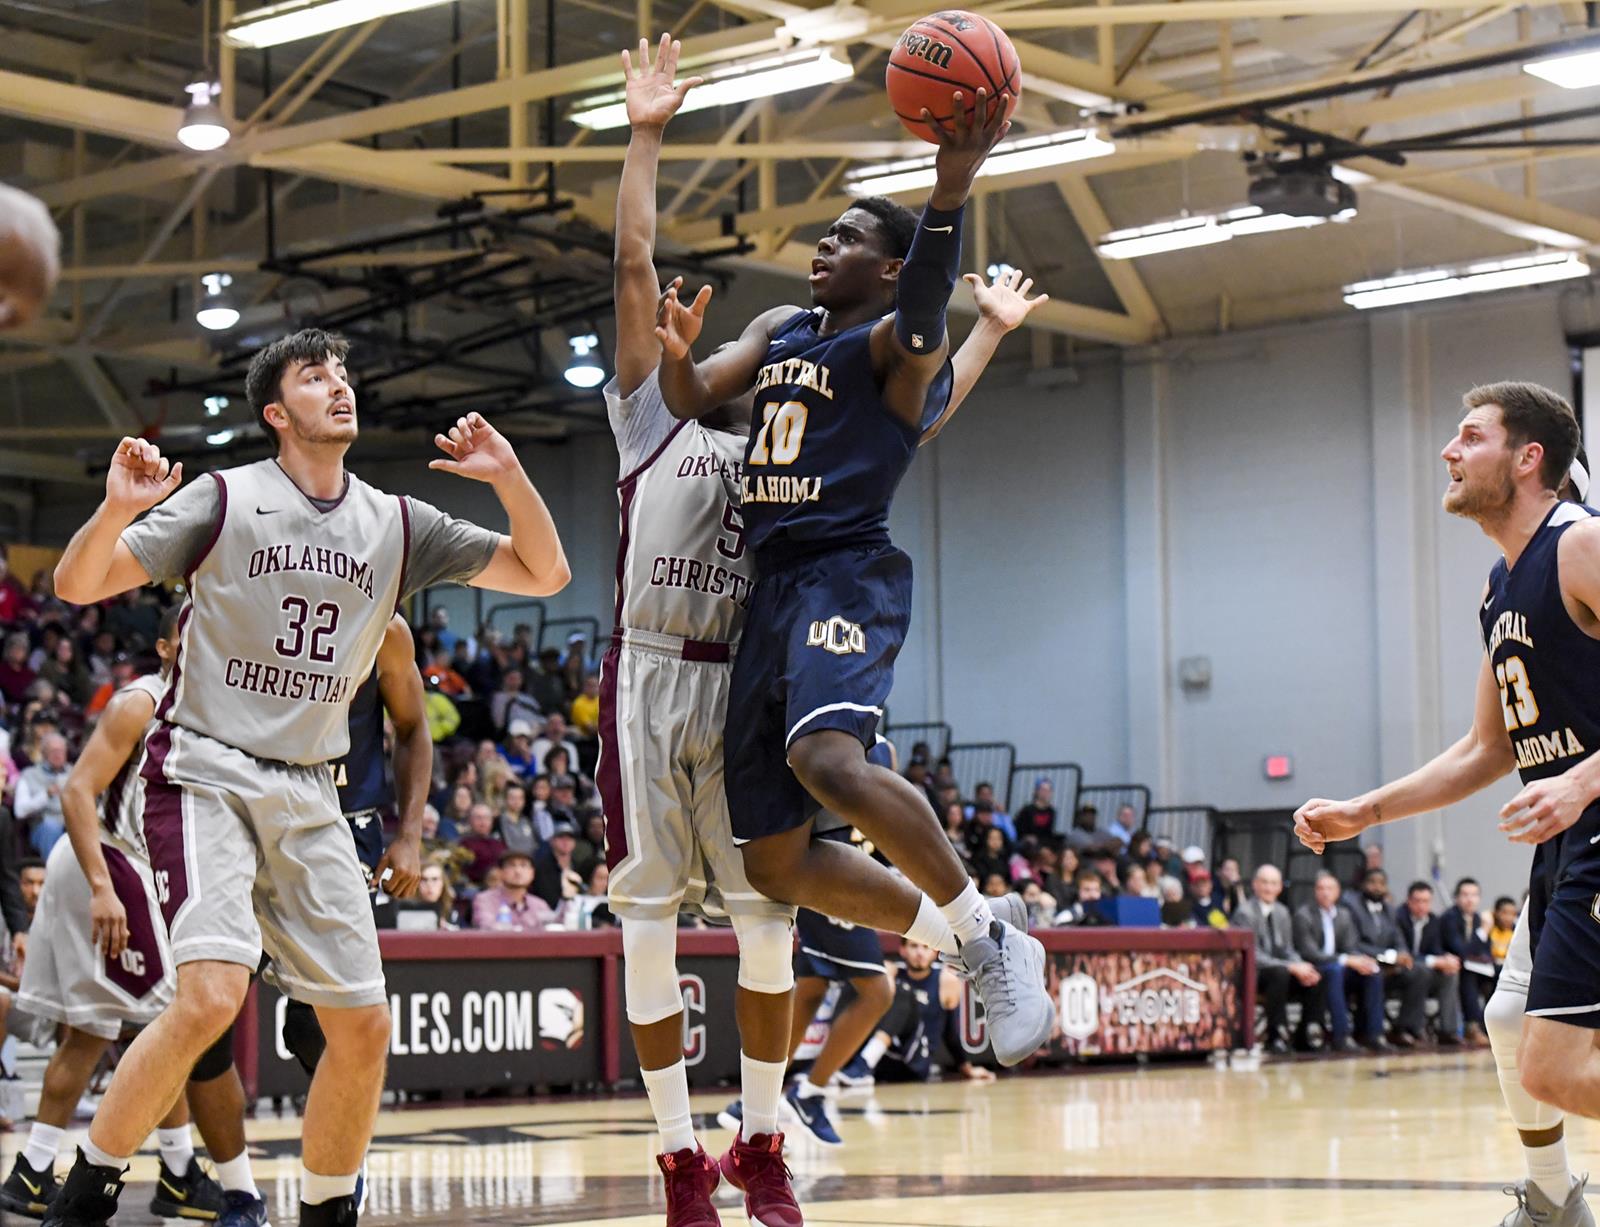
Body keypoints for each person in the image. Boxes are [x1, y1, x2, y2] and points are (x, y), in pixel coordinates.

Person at [604, 38, 1044, 1227]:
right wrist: (692, 354)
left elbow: (921, 380)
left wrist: (952, 198)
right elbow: (690, 378)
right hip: (711, 645)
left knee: (822, 776)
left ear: (893, 266)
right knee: (775, 866)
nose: (821, 244)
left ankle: (978, 931)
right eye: (828, 235)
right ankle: (959, 940)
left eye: (848, 235)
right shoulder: (756, 357)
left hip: (830, 580)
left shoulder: (886, 341)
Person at [45, 324, 569, 1227]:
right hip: (205, 764)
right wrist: (116, 508)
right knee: (211, 995)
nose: (340, 386)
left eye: (344, 373)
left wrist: (510, 475)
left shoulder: (398, 522)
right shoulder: (223, 499)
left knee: (363, 1027)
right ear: (276, 412)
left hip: (312, 787)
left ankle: (326, 1214)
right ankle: (83, 1196)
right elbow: (75, 583)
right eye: (315, 375)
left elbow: (546, 570)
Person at [1295, 381, 1600, 1225]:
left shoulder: (1581, 545)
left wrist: (1583, 779)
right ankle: (1551, 1201)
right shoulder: (1500, 585)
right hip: (1570, 836)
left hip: (1595, 811)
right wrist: (1365, 811)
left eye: (1471, 436)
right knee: (1509, 1020)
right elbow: (1485, 748)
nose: (1448, 450)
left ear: (1528, 457)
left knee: (1556, 1069)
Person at [4, 608, 260, 1225]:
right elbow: (74, 792)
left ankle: (39, 1169)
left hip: (124, 868)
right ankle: (176, 1172)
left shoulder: (221, 716)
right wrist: (103, 888)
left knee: (105, 1029)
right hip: (107, 862)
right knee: (172, 1026)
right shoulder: (140, 703)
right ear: (168, 649)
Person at [277, 613, 429, 1103]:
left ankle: (344, 1166)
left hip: (347, 822)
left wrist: (410, 835)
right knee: (214, 997)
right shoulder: (261, 602)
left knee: (319, 1017)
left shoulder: (386, 630)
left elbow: (412, 727)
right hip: (260, 813)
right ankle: (198, 1169)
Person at [857, 937, 994, 1085]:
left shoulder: (945, 979)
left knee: (904, 993)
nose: (919, 953)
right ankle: (852, 1065)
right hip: (884, 1061)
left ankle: (862, 1064)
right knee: (868, 986)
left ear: (934, 953)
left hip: (915, 1062)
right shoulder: (893, 972)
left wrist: (966, 1068)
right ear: (902, 951)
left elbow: (951, 1032)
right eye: (913, 946)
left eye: (925, 947)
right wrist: (887, 976)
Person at [1231, 864, 1321, 1053]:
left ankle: (1304, 1033)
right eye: (1264, 883)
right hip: (1253, 974)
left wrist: (1299, 964)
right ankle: (1276, 1035)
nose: (1269, 888)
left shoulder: (1282, 912)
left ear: (1280, 887)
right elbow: (1253, 955)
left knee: (1313, 974)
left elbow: (1287, 949)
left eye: (1273, 883)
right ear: (1255, 885)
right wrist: (1290, 967)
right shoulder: (1244, 913)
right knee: (1280, 973)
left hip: (1279, 971)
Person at [1292, 871, 1386, 1052]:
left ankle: (1375, 1034)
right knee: (1335, 970)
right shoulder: (1303, 915)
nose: (1325, 893)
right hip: (1316, 968)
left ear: (1337, 892)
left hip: (1340, 967)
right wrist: (1346, 959)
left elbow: (1350, 947)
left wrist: (1361, 960)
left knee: (1373, 971)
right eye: (1321, 888)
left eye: (1330, 888)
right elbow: (1309, 952)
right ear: (1315, 892)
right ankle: (1341, 1036)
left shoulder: (1344, 915)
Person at [1343, 867, 1430, 1047]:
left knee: (1420, 972)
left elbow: (1397, 938)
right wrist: (1388, 956)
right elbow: (1355, 944)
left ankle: (1403, 1028)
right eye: (1372, 882)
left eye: (1381, 884)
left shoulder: (1390, 910)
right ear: (1363, 885)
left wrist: (1402, 954)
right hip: (1364, 966)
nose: (1377, 887)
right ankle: (1372, 1033)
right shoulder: (1351, 907)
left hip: (1388, 967)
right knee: (1374, 973)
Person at [1394, 880, 1464, 1045]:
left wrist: (1446, 958)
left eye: (1426, 901)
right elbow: (1404, 953)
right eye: (1417, 901)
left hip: (1422, 969)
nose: (1421, 906)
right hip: (1399, 970)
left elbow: (1436, 949)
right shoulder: (1398, 918)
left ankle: (1448, 1030)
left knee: (1450, 973)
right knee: (1422, 972)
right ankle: (1410, 1028)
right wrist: (1434, 961)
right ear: (1408, 901)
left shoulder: (1433, 920)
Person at [1440, 875, 1494, 1045]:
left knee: (1501, 973)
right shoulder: (1449, 918)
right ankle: (1472, 1026)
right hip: (1454, 967)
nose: (1470, 899)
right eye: (1465, 895)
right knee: (1469, 973)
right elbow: (1462, 952)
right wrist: (1483, 931)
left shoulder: (1477, 918)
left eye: (1474, 895)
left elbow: (1485, 950)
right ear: (1456, 897)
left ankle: (1494, 1023)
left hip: (1475, 967)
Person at [472, 849, 563, 931]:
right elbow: (487, 927)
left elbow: (554, 929)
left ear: (532, 873)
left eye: (523, 865)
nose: (518, 871)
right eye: (511, 865)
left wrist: (567, 897)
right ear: (501, 873)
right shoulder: (485, 900)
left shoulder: (539, 905)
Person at [14, 731, 70, 856]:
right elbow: (20, 810)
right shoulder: (29, 774)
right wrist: (47, 794)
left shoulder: (76, 773)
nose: (58, 755)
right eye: (53, 751)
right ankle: (53, 873)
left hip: (72, 825)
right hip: (43, 827)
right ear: (43, 753)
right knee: (51, 827)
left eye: (61, 751)